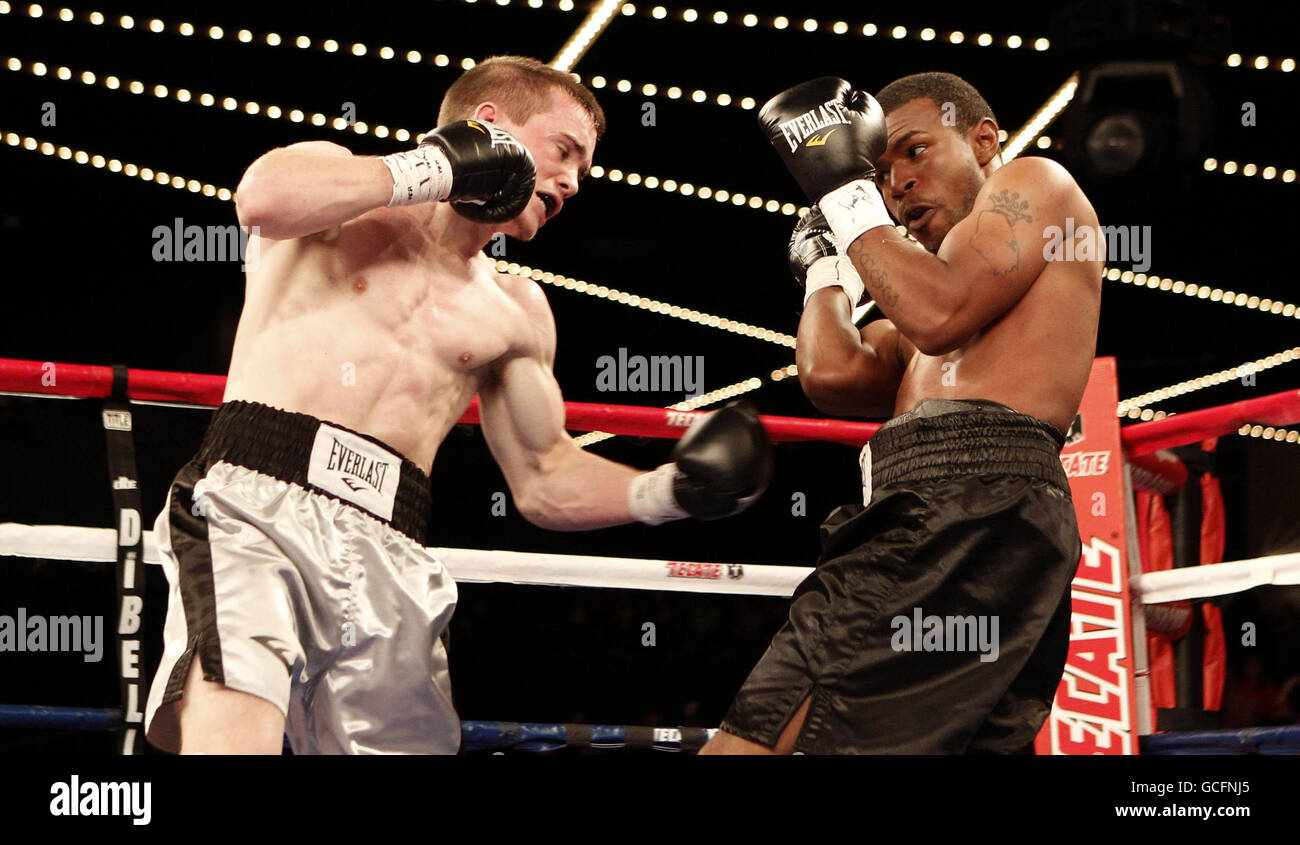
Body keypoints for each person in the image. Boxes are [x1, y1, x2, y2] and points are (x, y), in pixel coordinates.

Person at [142, 55, 773, 755]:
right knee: (233, 733)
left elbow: (543, 475)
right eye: (563, 152)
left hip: (391, 545)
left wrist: (670, 491)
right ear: (489, 126)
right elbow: (260, 198)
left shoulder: (515, 308)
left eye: (583, 173)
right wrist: (433, 166)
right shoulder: (343, 199)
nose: (570, 181)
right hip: (256, 504)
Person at [701, 72, 1102, 754]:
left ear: (983, 140)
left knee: (761, 732)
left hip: (964, 501)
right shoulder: (930, 300)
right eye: (880, 173)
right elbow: (832, 372)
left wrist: (845, 191)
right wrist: (826, 267)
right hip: (966, 514)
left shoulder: (1040, 183)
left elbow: (939, 311)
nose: (897, 185)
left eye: (915, 152)